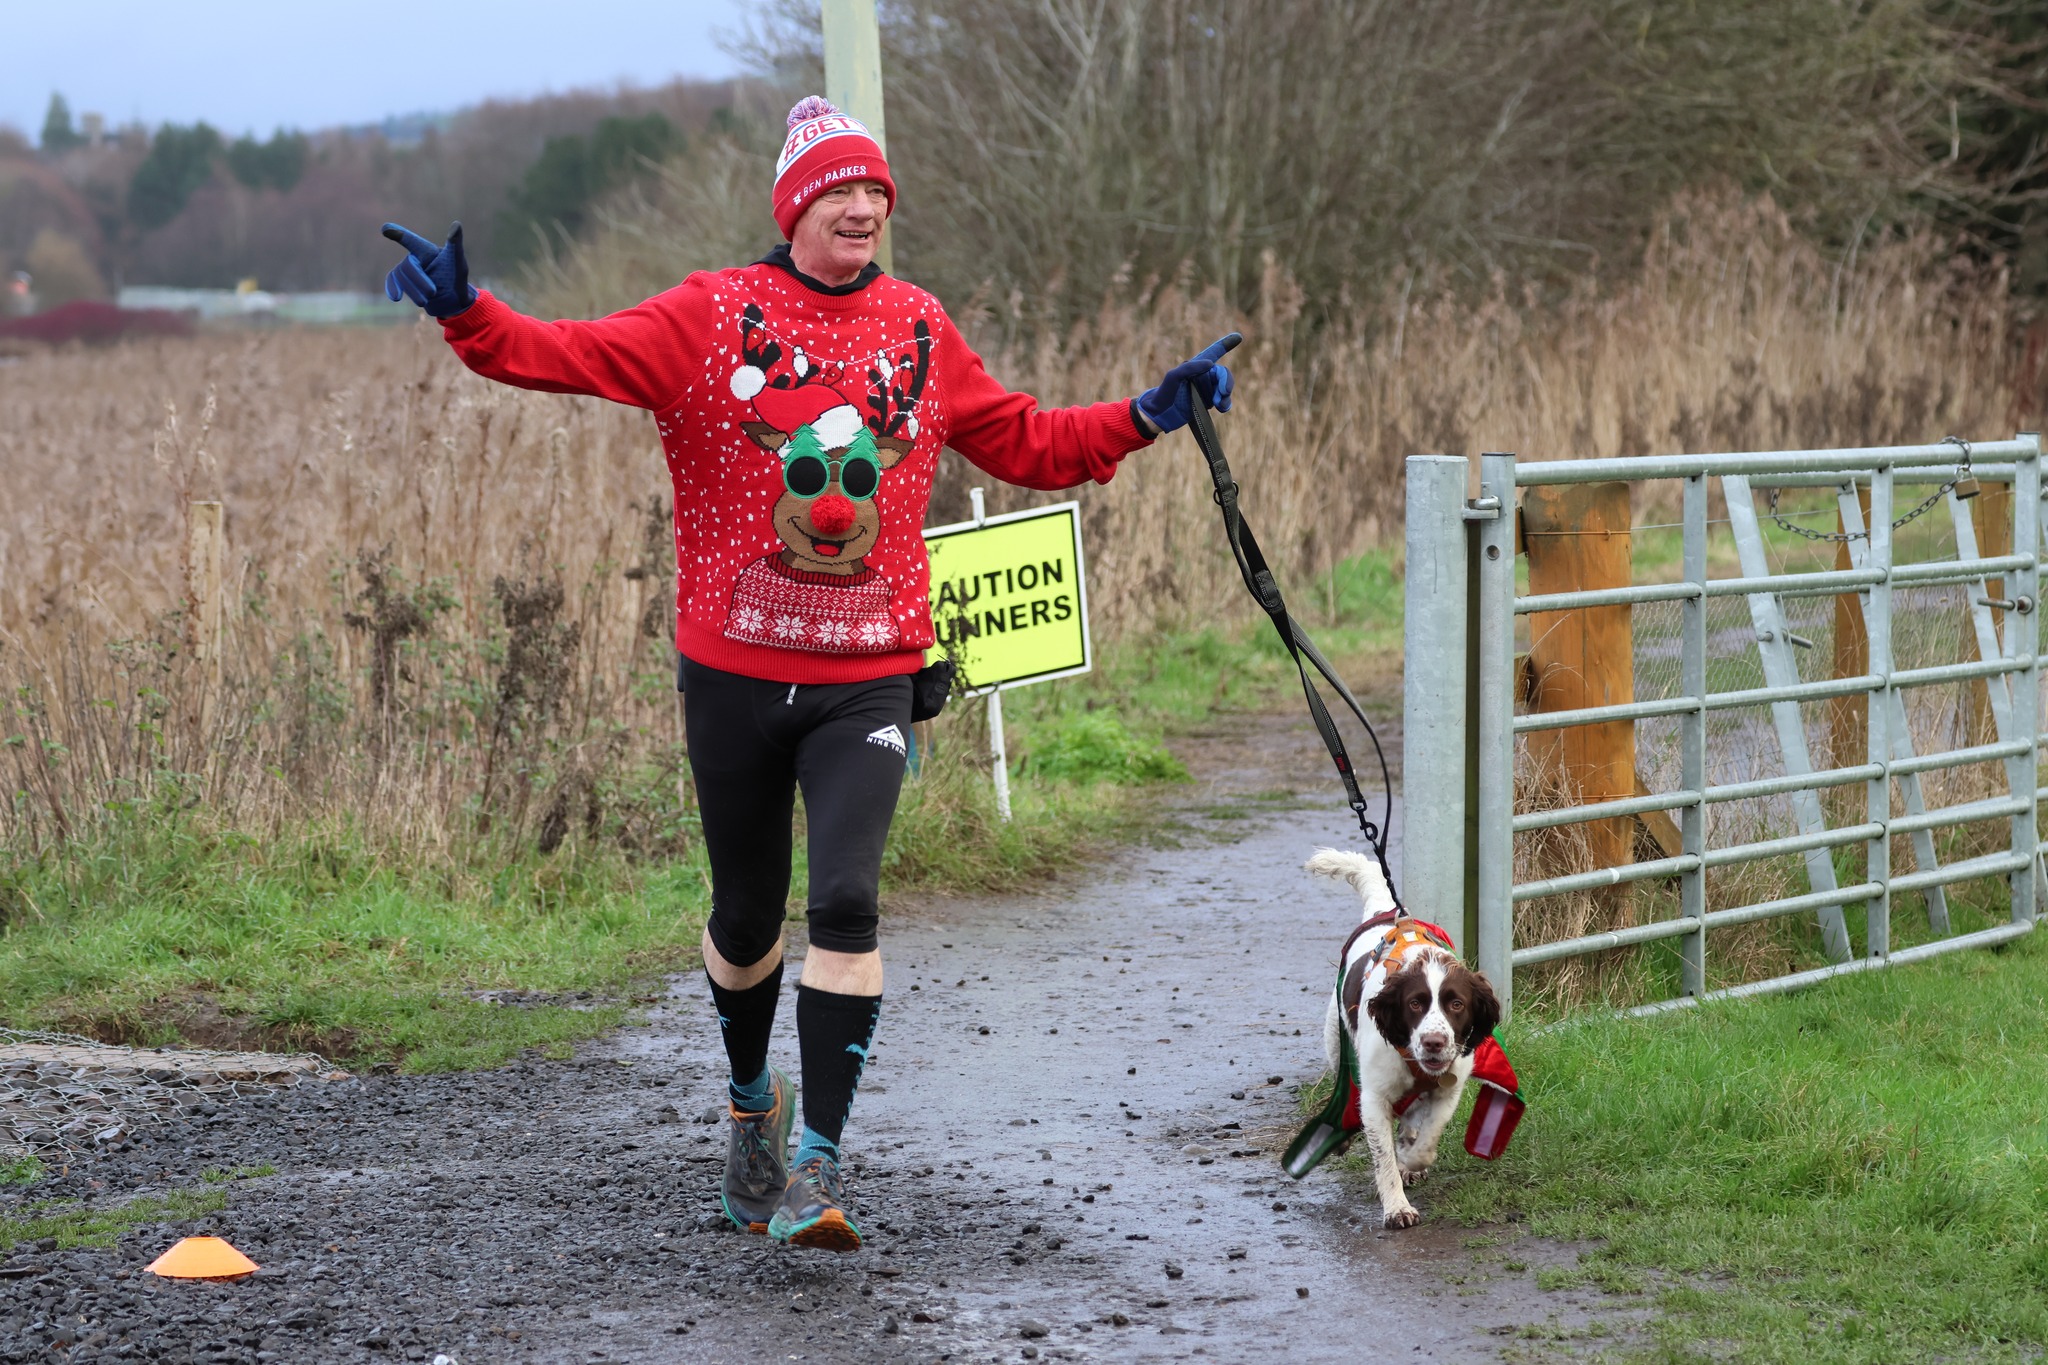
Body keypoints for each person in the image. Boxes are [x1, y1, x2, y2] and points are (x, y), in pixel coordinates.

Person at [381, 96, 1232, 1252]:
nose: (867, 204)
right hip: (730, 675)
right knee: (743, 920)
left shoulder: (919, 330)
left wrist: (1142, 414)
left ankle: (818, 1168)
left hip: (868, 676)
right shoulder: (710, 313)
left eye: (879, 191)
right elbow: (569, 354)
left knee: (843, 900)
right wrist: (472, 315)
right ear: (795, 207)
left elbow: (1026, 438)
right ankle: (750, 1107)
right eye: (844, 188)